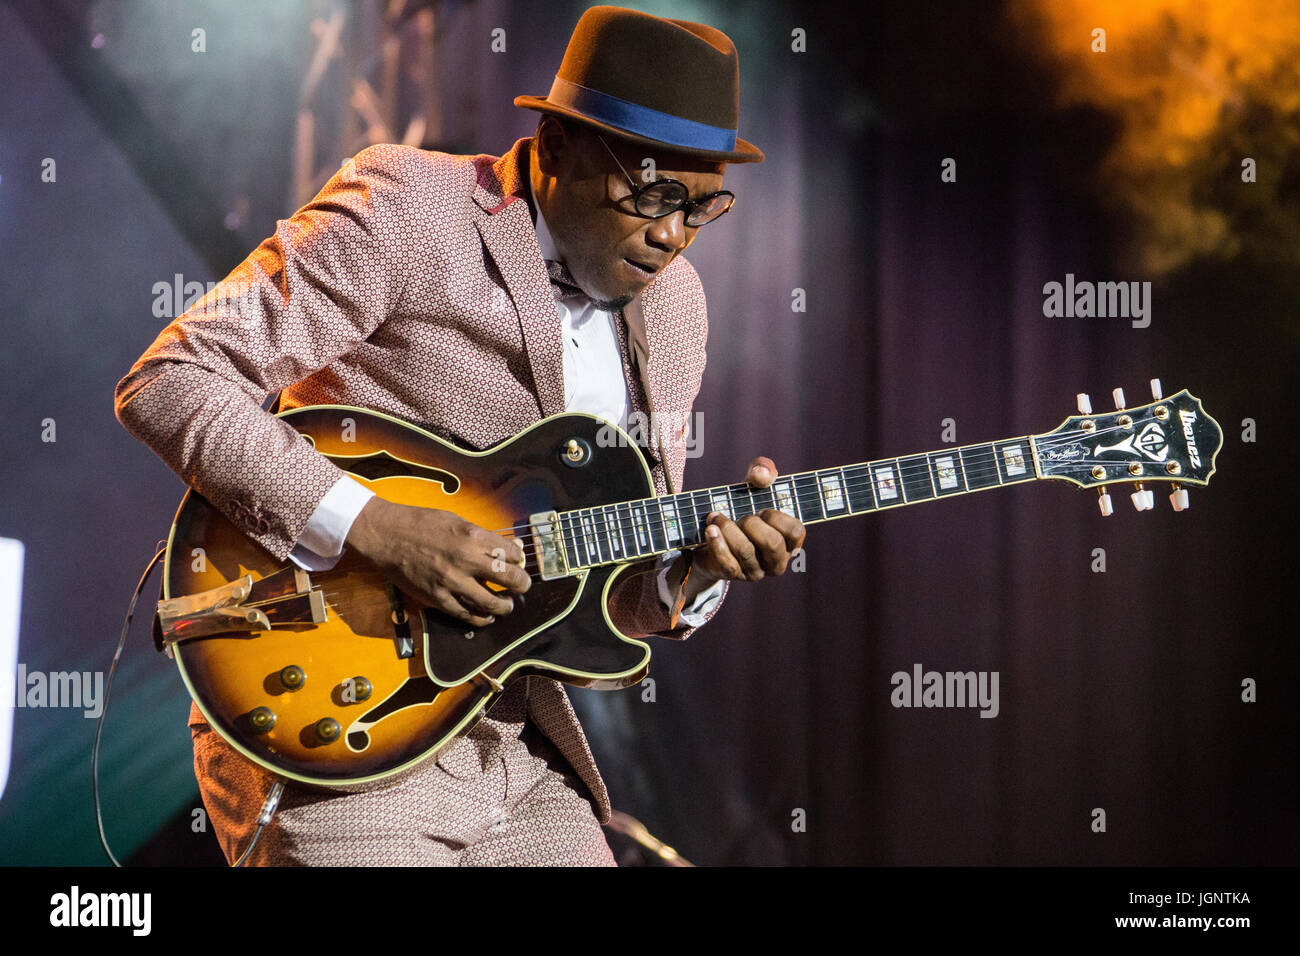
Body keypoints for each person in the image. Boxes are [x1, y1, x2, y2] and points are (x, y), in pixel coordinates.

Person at [115, 5, 806, 866]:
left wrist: (694, 570)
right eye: (655, 192)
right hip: (337, 723)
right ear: (559, 148)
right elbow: (172, 379)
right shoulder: (412, 207)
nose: (673, 235)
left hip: (521, 749)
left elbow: (612, 593)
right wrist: (377, 526)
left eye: (702, 208)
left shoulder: (677, 309)